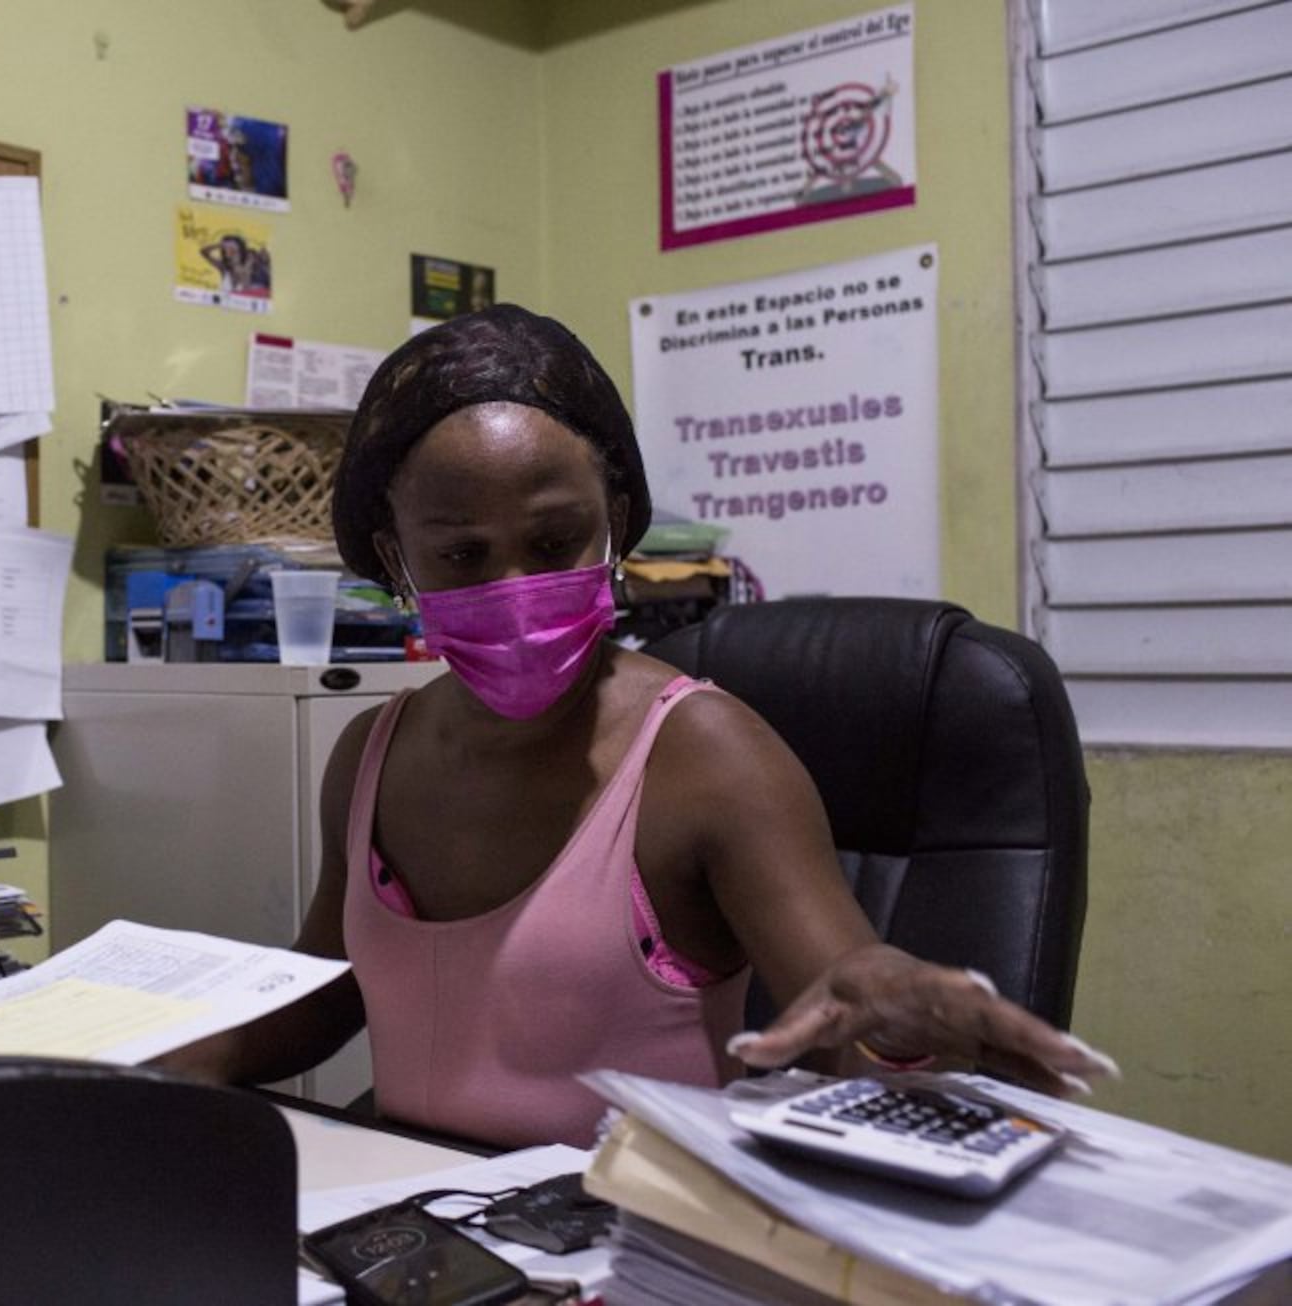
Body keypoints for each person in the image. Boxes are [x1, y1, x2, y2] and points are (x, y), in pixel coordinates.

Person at [160, 305, 1118, 1149]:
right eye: (460, 554)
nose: (514, 590)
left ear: (615, 520)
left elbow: (837, 989)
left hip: (634, 1249)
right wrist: (141, 1059)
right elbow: (332, 988)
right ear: (392, 556)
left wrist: (893, 1001)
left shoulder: (707, 756)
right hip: (420, 1234)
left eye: (552, 541)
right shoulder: (370, 753)